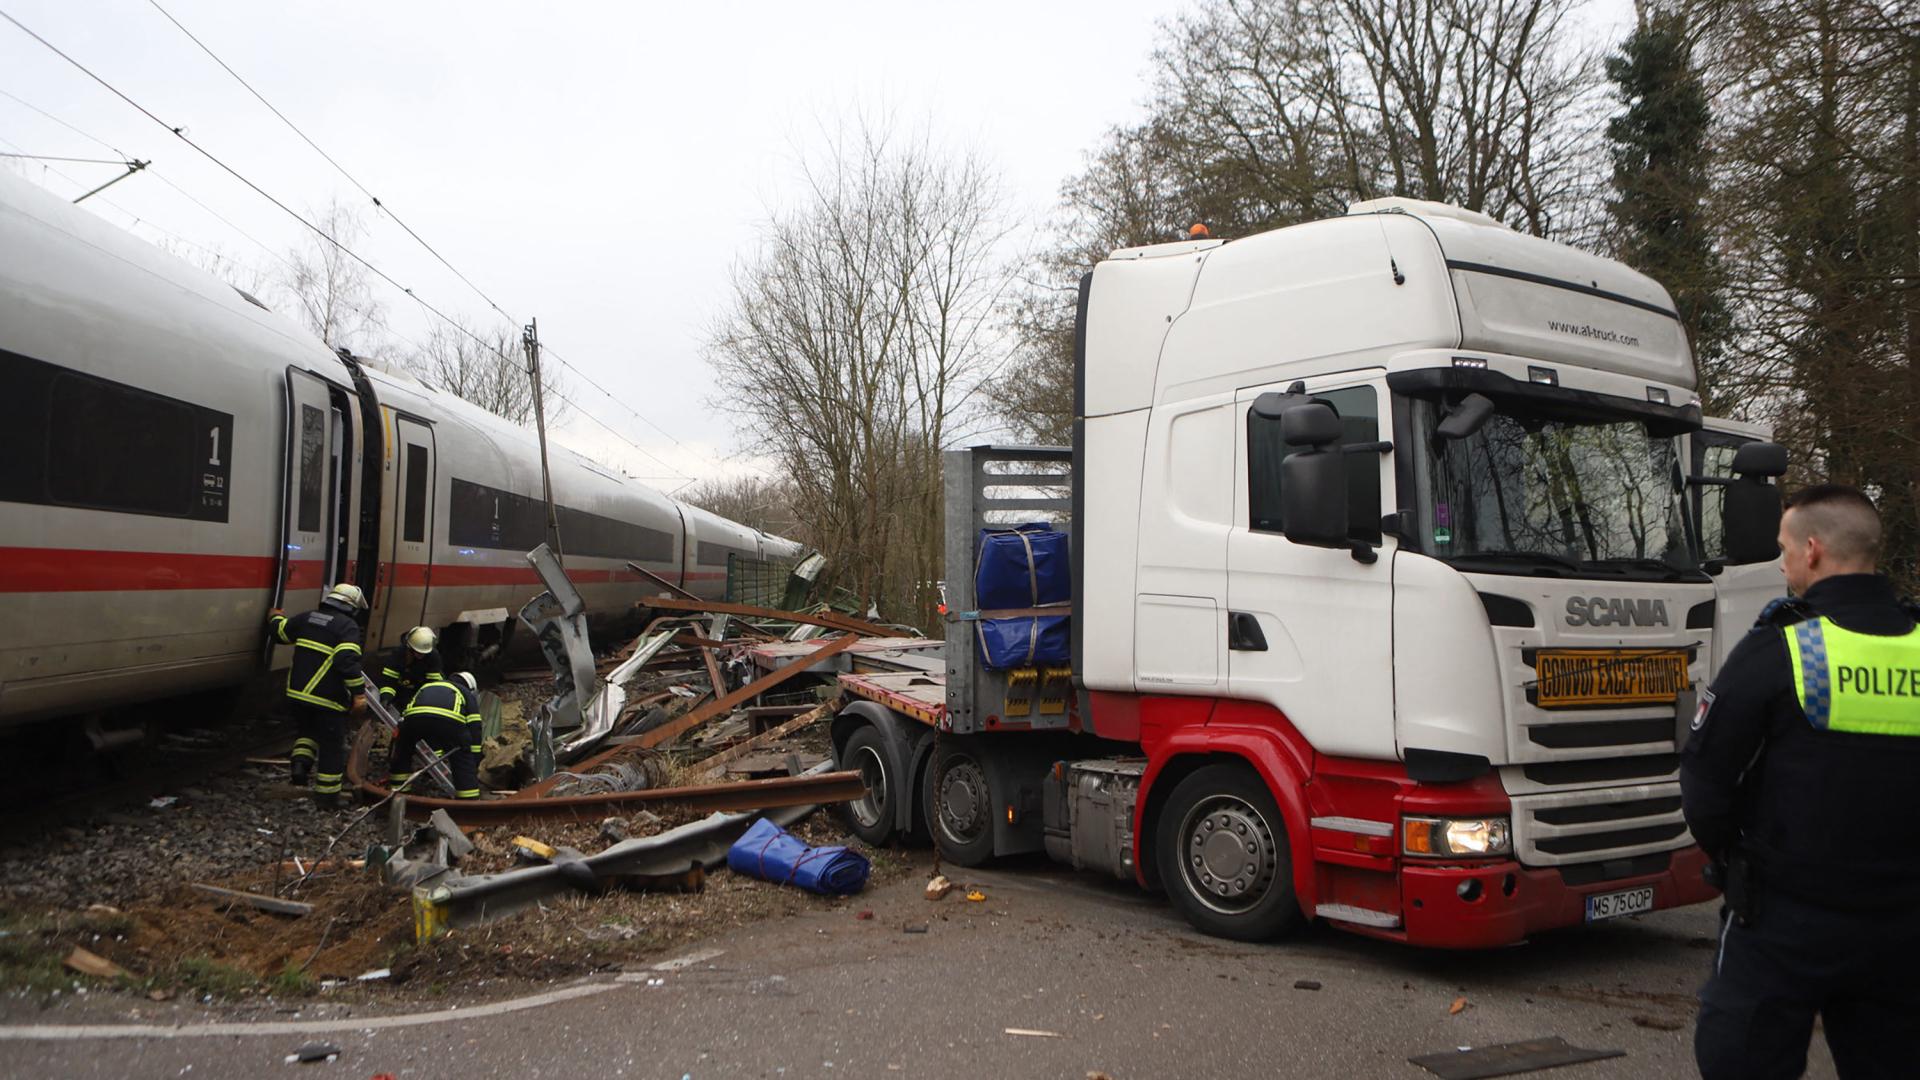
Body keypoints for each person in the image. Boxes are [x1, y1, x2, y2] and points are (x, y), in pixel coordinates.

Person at [1681, 483, 1920, 1079]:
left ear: (1812, 550)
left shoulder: (1784, 648)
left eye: (1784, 549)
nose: (1783, 564)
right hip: (1904, 923)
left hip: (1784, 917)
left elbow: (1706, 781)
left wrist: (1736, 860)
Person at [267, 583, 369, 810]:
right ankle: (327, 797)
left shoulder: (307, 617)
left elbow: (280, 632)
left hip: (297, 694)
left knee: (307, 732)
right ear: (352, 608)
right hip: (327, 699)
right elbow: (346, 661)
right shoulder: (347, 627)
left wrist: (274, 617)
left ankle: (300, 766)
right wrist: (359, 694)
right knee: (332, 746)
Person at [390, 671, 484, 800]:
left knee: (403, 749)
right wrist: (474, 758)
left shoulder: (428, 686)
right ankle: (468, 799)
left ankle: (398, 793)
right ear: (471, 688)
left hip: (413, 719)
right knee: (462, 757)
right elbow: (474, 727)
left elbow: (412, 711)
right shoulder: (465, 692)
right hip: (449, 722)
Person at [376, 626, 443, 711]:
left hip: (418, 693)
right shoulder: (399, 654)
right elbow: (388, 680)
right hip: (399, 690)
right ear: (410, 648)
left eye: (423, 653)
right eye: (418, 652)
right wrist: (386, 698)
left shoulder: (433, 657)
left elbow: (433, 683)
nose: (421, 655)